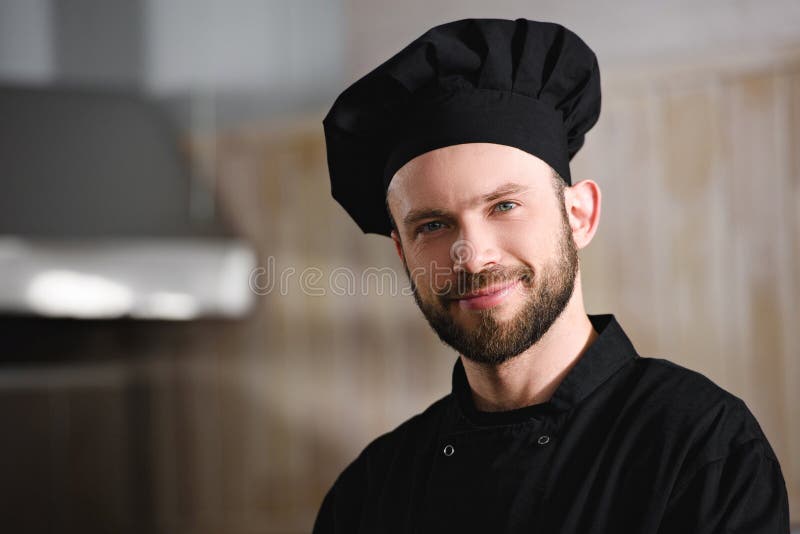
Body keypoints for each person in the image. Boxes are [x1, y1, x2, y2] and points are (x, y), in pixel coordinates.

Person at [314, 18, 790, 533]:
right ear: (404, 255)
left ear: (579, 215)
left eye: (505, 205)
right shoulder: (370, 493)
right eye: (432, 224)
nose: (472, 257)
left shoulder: (701, 448)